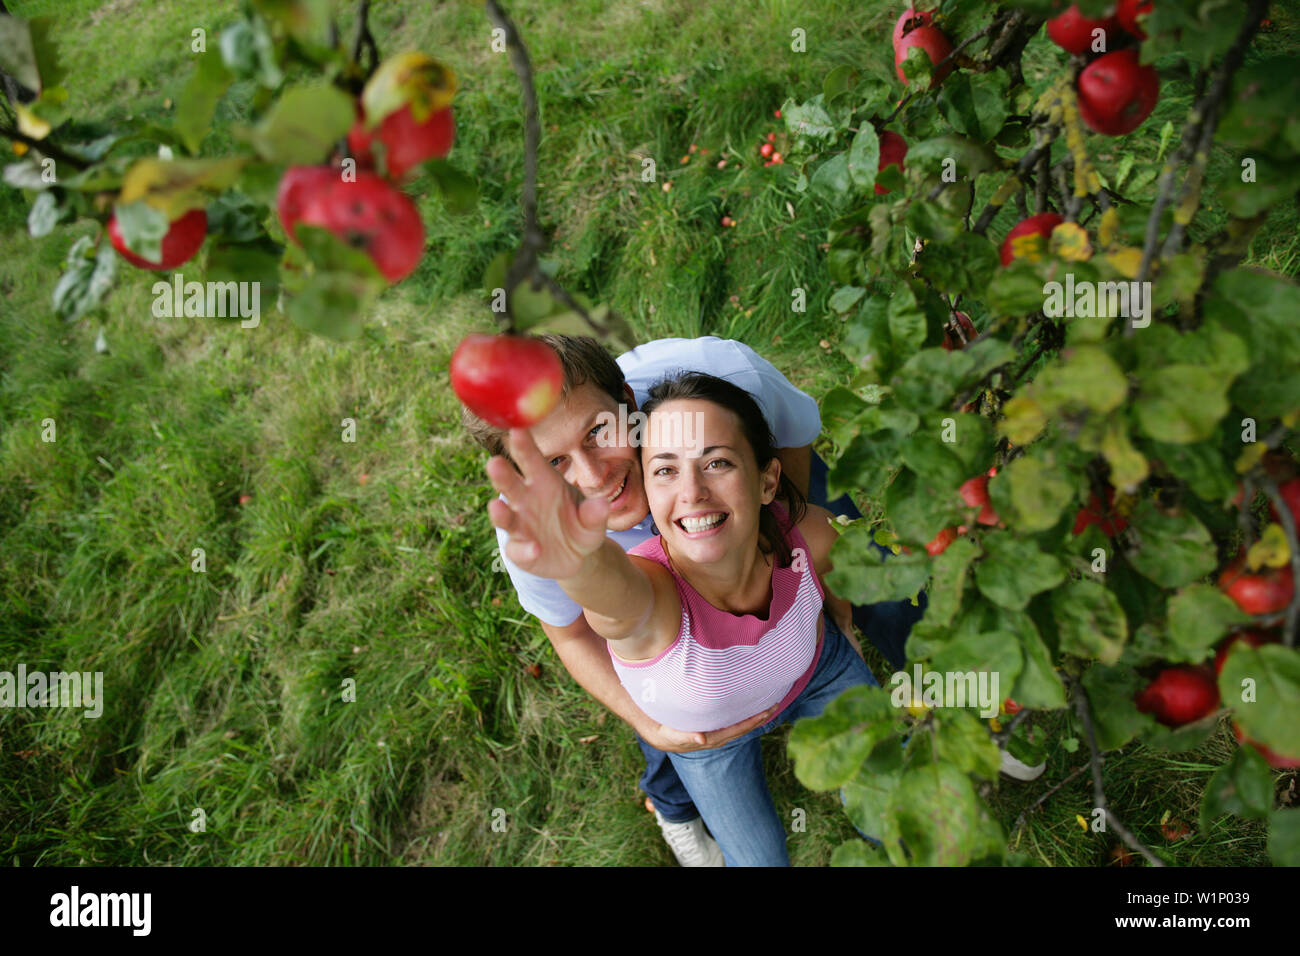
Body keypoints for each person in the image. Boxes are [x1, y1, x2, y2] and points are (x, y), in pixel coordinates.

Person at [462, 334, 923, 864]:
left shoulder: (727, 381)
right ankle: (673, 806)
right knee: (669, 717)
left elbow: (790, 469)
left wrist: (807, 577)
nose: (593, 476)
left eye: (598, 432)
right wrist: (651, 723)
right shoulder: (538, 529)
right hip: (680, 663)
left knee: (879, 581)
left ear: (629, 409)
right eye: (555, 464)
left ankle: (965, 705)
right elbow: (581, 626)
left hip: (764, 520)